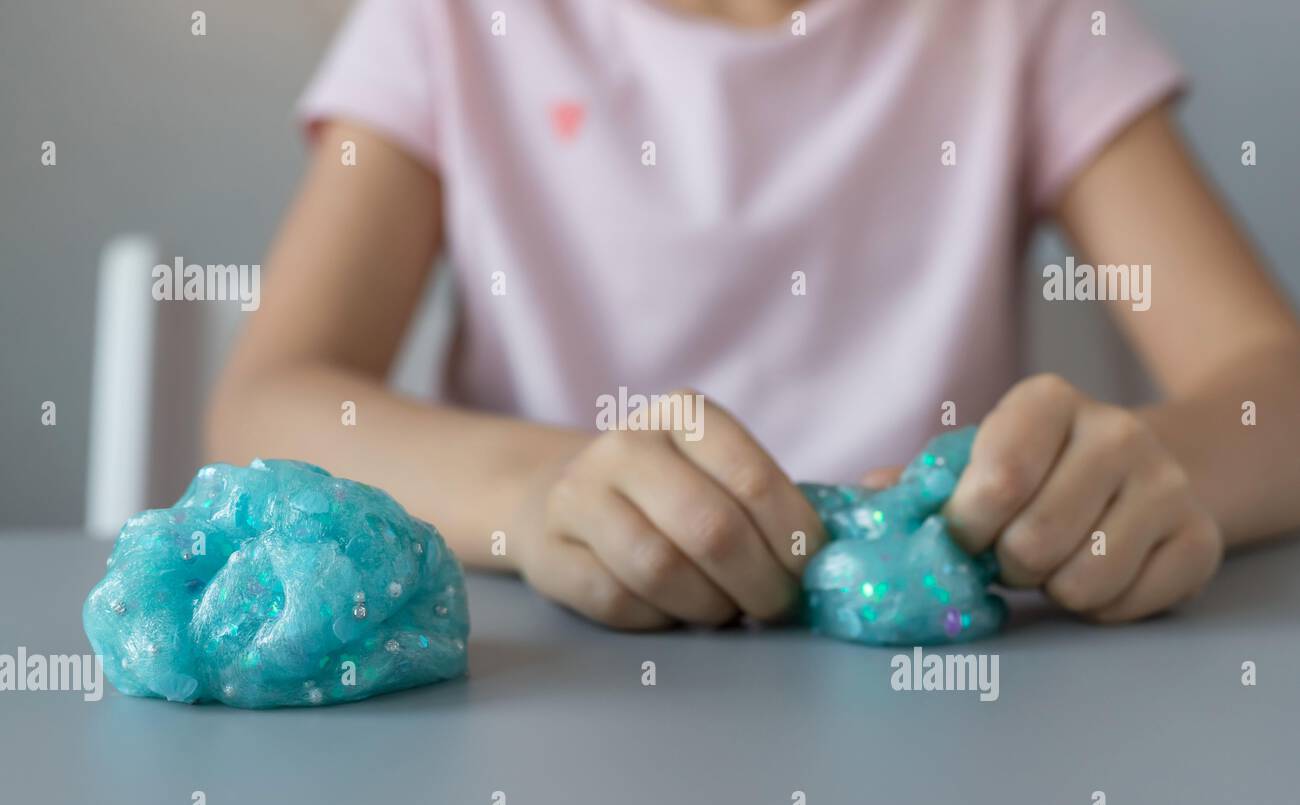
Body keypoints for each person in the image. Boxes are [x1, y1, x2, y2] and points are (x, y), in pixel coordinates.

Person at [207, 0, 1300, 631]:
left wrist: (1140, 470)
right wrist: (535, 495)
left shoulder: (1019, 20)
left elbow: (1277, 390)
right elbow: (268, 403)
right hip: (559, 701)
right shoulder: (442, 20)